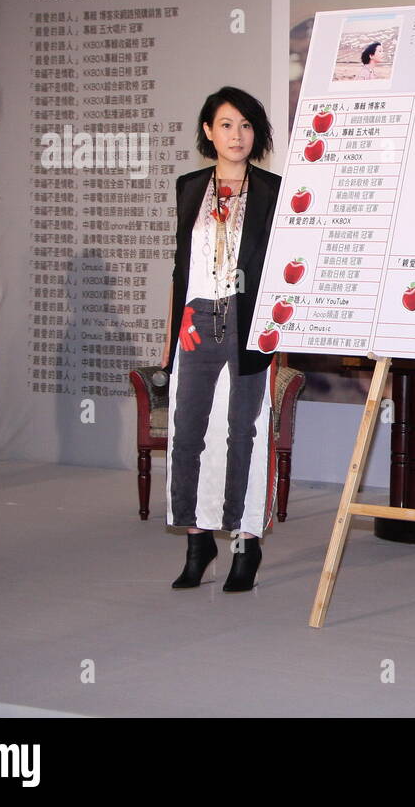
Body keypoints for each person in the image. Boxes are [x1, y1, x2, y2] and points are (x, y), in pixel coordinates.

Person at [161, 87, 282, 592]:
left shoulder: (275, 190)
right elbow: (179, 269)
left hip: (249, 322)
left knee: (243, 433)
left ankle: (244, 541)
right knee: (187, 432)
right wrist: (169, 344)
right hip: (195, 319)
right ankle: (197, 539)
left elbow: (283, 272)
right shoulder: (190, 187)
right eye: (227, 125)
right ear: (208, 132)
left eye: (247, 125)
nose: (238, 135)